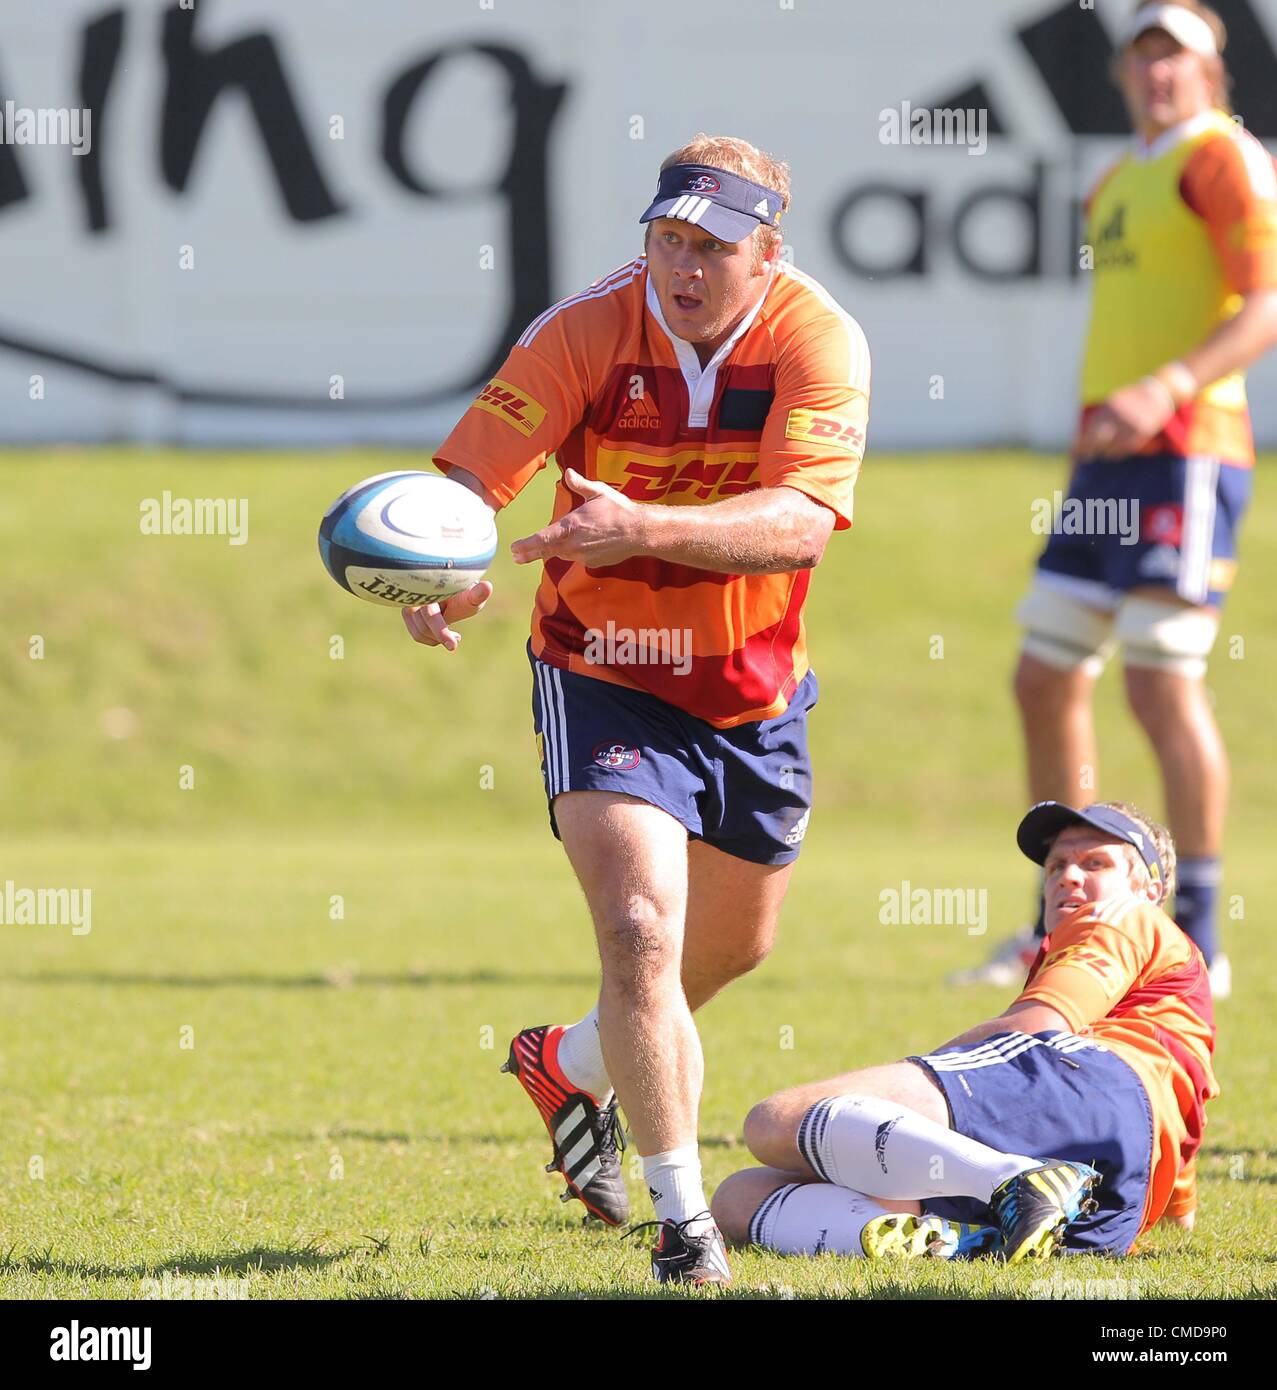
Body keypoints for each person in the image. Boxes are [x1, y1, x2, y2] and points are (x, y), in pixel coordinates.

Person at [401, 134, 870, 1284]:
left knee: (727, 948)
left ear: (768, 254)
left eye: (711, 246)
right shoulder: (582, 328)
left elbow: (800, 522)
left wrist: (646, 526)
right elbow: (468, 482)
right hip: (598, 662)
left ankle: (568, 1058)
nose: (682, 266)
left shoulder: (817, 335)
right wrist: (443, 560)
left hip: (750, 687)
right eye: (666, 239)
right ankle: (683, 1224)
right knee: (639, 933)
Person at [957, 1, 1277, 995]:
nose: (1154, 72)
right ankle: (1062, 916)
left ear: (1210, 70)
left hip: (1184, 451)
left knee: (1157, 683)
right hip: (1107, 461)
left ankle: (1196, 931)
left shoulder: (1219, 157)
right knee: (1041, 677)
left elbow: (1265, 301)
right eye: (1139, 55)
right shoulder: (1115, 177)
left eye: (1172, 56)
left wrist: (1163, 388)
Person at [713, 801, 1217, 1263]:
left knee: (774, 1122)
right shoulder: (1173, 998)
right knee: (739, 1199)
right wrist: (1180, 1208)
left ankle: (1013, 1180)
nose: (1068, 876)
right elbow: (1176, 1146)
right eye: (1056, 865)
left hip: (1089, 1086)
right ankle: (950, 1240)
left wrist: (905, 1086)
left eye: (1095, 863)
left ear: (1151, 889)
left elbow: (1039, 1025)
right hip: (1107, 1216)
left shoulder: (1124, 914)